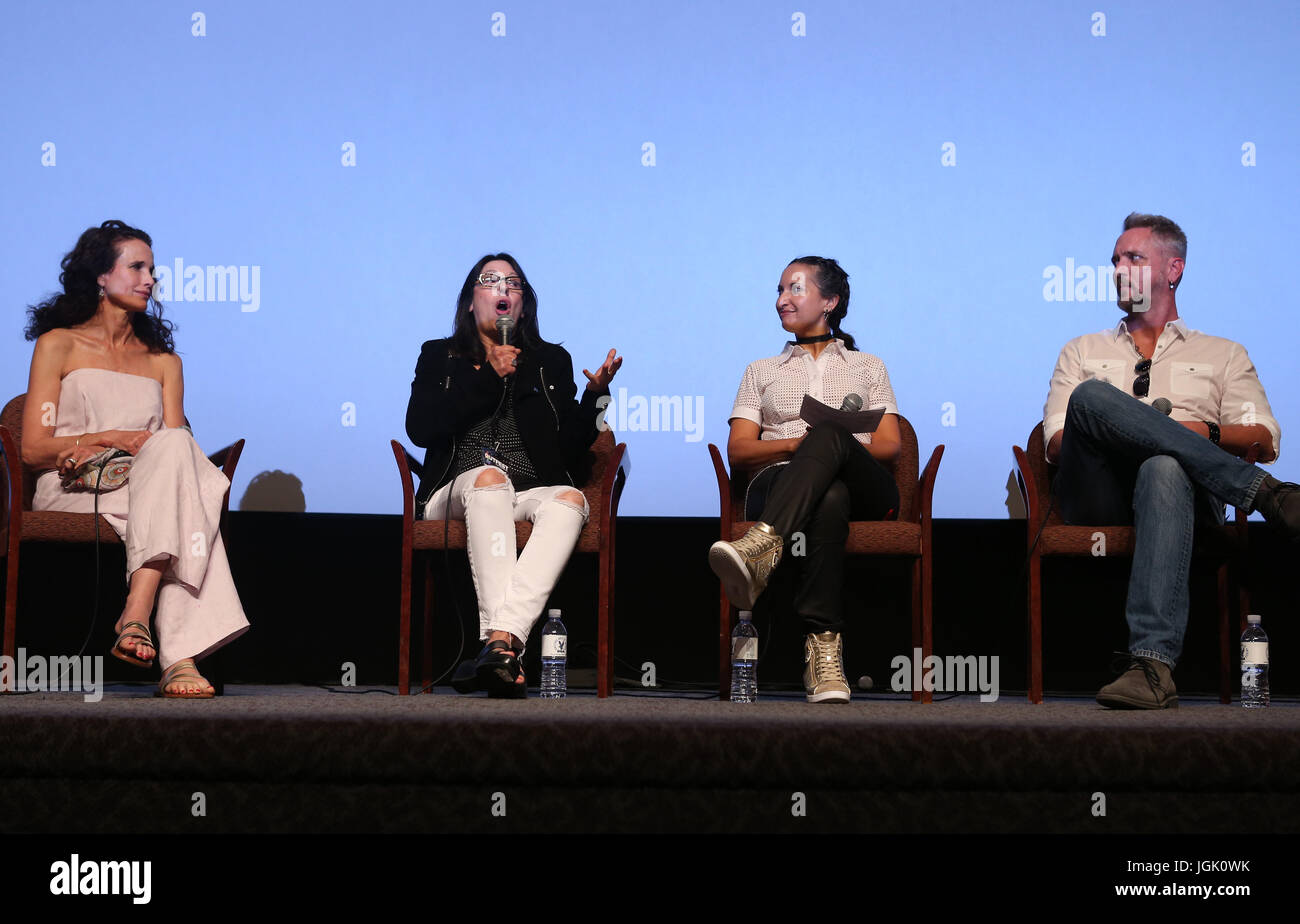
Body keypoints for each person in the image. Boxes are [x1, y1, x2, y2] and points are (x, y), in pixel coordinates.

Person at [1042, 213, 1299, 709]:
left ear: (1173, 269)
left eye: (1133, 258)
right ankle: (1267, 493)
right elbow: (1057, 443)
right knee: (1091, 396)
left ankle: (1152, 668)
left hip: (1185, 500)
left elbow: (1264, 437)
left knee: (1163, 467)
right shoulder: (1082, 349)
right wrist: (1141, 432)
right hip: (1097, 493)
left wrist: (1194, 434)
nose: (1118, 269)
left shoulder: (1223, 353)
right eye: (1115, 260)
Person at [22, 221, 249, 697]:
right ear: (101, 276)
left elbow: (172, 444)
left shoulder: (164, 362)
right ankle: (180, 659)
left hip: (143, 487)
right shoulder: (58, 344)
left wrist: (151, 446)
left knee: (174, 451)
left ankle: (136, 615)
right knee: (188, 507)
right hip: (74, 487)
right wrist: (107, 436)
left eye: (152, 270)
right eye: (137, 267)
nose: (150, 279)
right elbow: (32, 448)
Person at [405, 253, 621, 697]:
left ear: (524, 304)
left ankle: (501, 645)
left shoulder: (550, 362)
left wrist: (598, 397)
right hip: (455, 489)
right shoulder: (439, 356)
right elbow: (420, 428)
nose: (502, 289)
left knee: (571, 500)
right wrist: (488, 376)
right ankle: (502, 646)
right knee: (488, 480)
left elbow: (569, 446)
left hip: (526, 488)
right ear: (470, 301)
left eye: (513, 283)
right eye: (490, 281)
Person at [709, 257, 902, 703]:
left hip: (866, 488)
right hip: (779, 483)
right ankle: (824, 649)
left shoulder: (868, 365)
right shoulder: (761, 370)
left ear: (829, 301)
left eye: (795, 290)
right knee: (827, 498)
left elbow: (890, 445)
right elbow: (739, 450)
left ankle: (761, 547)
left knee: (833, 442)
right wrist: (797, 446)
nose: (781, 301)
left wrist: (833, 444)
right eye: (779, 291)